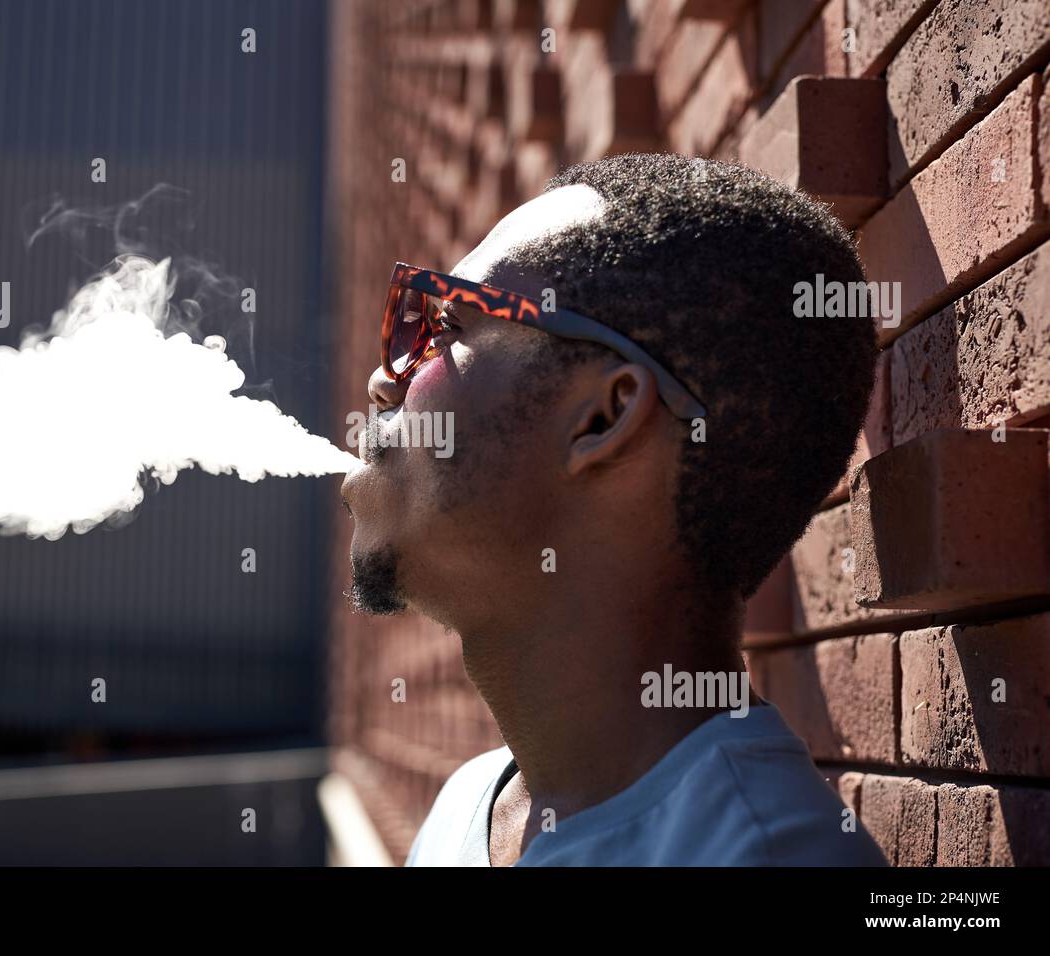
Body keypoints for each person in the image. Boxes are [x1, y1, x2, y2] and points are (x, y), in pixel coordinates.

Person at [340, 153, 889, 866]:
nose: (384, 380)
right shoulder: (467, 805)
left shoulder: (765, 856)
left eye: (446, 328)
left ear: (605, 416)